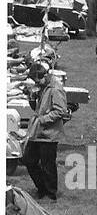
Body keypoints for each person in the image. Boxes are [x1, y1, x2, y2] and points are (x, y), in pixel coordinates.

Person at [24, 68, 70, 201]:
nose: (36, 83)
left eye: (37, 80)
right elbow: (36, 108)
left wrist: (43, 120)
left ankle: (50, 194)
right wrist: (32, 97)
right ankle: (42, 188)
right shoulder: (43, 87)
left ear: (44, 76)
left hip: (50, 134)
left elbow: (61, 111)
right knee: (29, 160)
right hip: (37, 132)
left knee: (47, 164)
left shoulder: (55, 89)